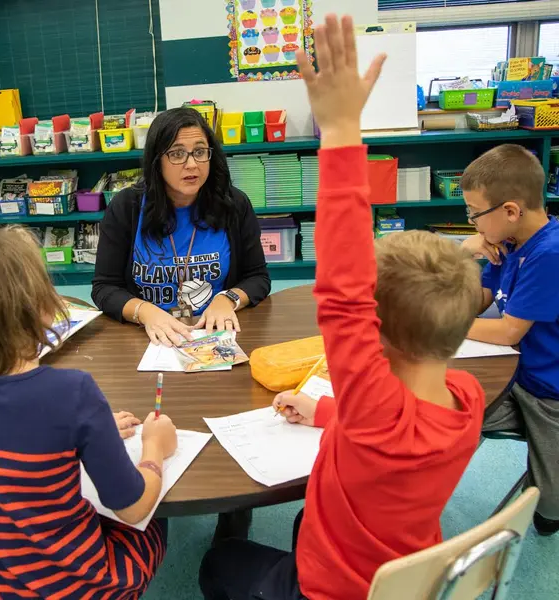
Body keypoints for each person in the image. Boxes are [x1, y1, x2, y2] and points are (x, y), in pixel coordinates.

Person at [199, 15, 486, 600]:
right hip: (403, 565)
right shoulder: (465, 397)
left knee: (219, 564)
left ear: (375, 327)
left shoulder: (375, 406)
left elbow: (343, 289)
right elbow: (381, 422)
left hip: (326, 588)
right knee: (307, 514)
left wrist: (340, 130)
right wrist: (326, 413)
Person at [0, 226, 176, 599]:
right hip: (76, 588)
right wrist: (155, 448)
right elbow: (134, 508)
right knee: (158, 518)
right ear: (38, 304)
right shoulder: (72, 392)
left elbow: (13, 428)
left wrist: (92, 430)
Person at [92, 108, 270, 347]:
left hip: (215, 332)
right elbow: (104, 288)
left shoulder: (234, 204)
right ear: (157, 161)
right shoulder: (127, 207)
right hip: (149, 335)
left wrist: (227, 299)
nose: (192, 164)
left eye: (199, 152)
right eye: (177, 154)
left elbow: (257, 277)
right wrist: (145, 312)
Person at [460, 144, 559, 536]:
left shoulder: (549, 253)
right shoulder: (510, 243)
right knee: (449, 413)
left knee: (548, 509)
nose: (472, 224)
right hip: (513, 373)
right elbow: (480, 300)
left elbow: (507, 330)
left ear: (511, 211)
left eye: (474, 214)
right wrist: (467, 255)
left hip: (547, 393)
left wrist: (440, 323)